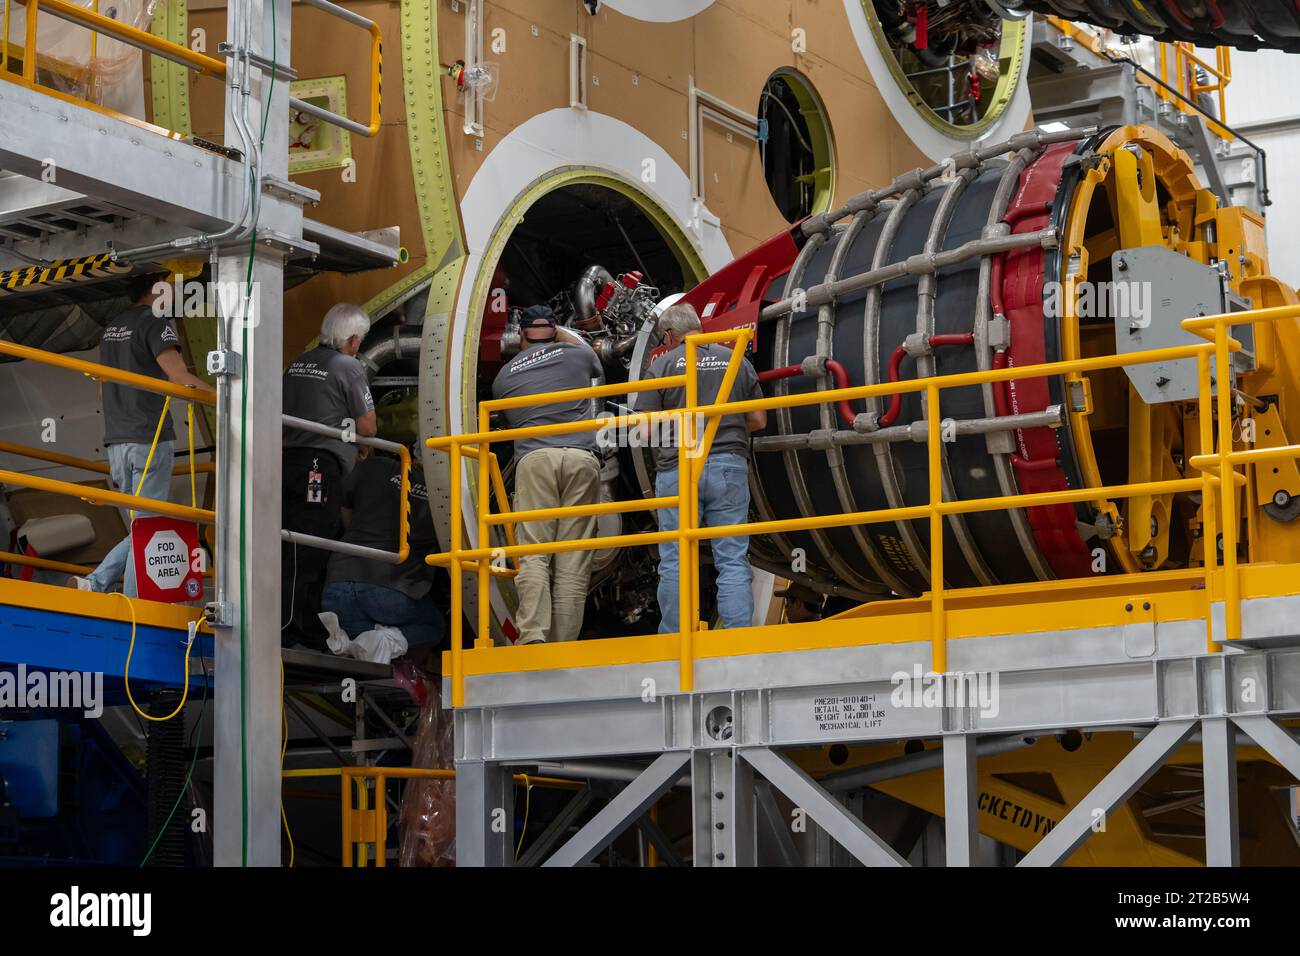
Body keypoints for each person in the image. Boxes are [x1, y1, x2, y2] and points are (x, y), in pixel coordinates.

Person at [72, 272, 210, 595]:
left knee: (139, 526)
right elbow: (179, 378)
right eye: (175, 285)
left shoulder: (112, 329)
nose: (179, 292)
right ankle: (128, 600)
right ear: (159, 286)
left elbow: (103, 393)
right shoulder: (155, 321)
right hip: (149, 438)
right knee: (147, 528)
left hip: (117, 443)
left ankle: (93, 584)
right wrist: (227, 400)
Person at [635, 303, 766, 633]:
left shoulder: (662, 365)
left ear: (668, 336)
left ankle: (676, 639)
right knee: (732, 557)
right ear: (698, 327)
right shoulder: (734, 358)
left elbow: (645, 431)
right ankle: (739, 636)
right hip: (728, 467)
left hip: (678, 469)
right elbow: (758, 419)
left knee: (677, 559)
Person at [491, 306, 604, 645]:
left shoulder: (504, 377)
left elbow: (509, 422)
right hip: (583, 460)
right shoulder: (577, 357)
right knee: (573, 560)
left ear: (521, 335)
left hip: (536, 460)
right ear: (554, 332)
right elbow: (595, 359)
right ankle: (564, 645)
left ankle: (533, 637)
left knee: (534, 554)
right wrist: (560, 336)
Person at [281, 303, 377, 647]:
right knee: (311, 545)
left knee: (287, 542)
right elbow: (368, 424)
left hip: (284, 462)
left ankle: (288, 621)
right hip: (319, 466)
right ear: (352, 340)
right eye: (360, 341)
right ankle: (297, 626)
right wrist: (360, 443)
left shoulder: (297, 363)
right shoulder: (349, 367)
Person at [317, 448, 444, 664]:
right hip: (390, 594)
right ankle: (387, 641)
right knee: (435, 626)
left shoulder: (374, 466)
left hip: (336, 587)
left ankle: (358, 642)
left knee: (365, 638)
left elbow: (343, 509)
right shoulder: (444, 498)